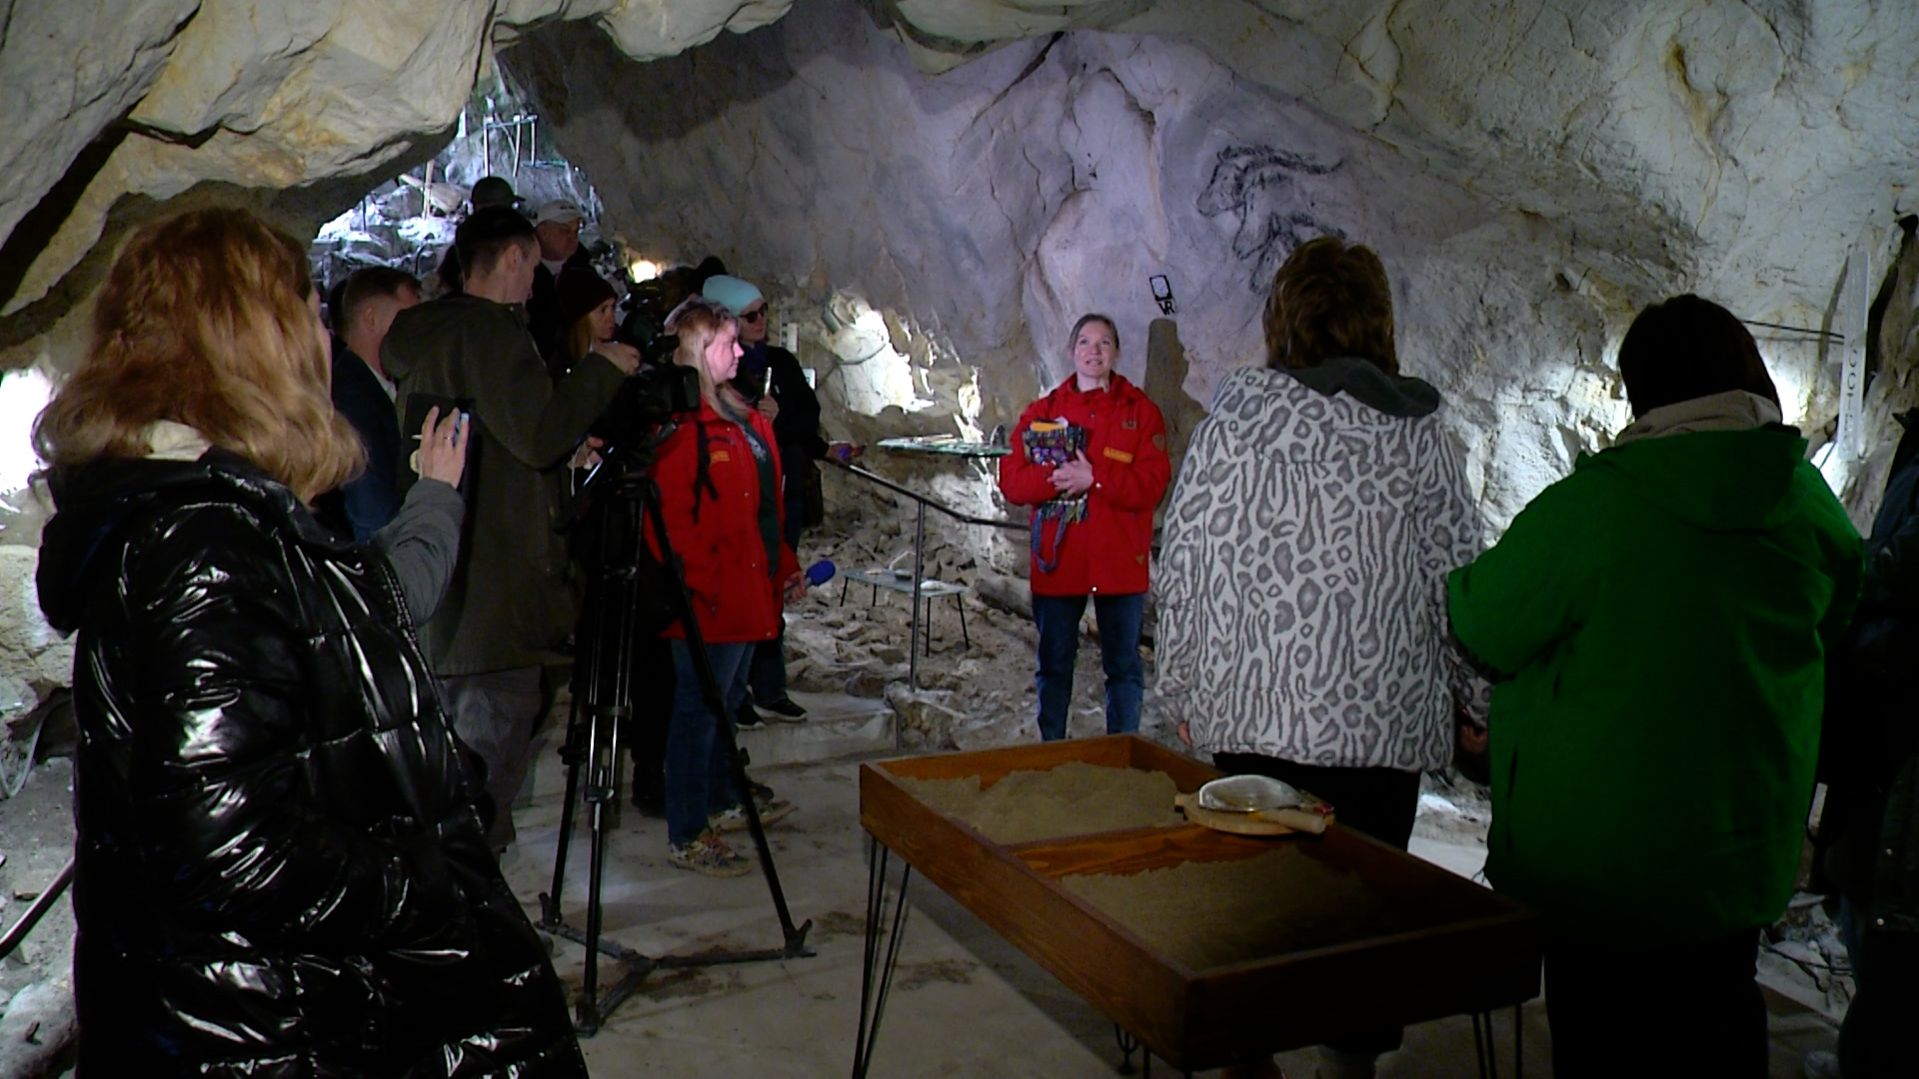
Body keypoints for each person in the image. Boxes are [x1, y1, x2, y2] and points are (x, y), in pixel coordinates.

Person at [31, 206, 584, 1074]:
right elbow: (233, 844)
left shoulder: (208, 515)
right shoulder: (199, 543)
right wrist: (421, 881)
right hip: (265, 1027)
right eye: (308, 314)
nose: (322, 336)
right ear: (252, 342)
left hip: (256, 1009)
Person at [1446, 295, 1862, 1078]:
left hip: (1604, 872)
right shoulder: (1807, 504)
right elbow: (1840, 611)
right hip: (1737, 857)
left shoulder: (1602, 502)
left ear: (1644, 392)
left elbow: (1481, 618)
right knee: (1718, 1028)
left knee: (1604, 1043)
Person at [1156, 236, 1482, 1079]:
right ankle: (1349, 1068)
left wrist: (1183, 689)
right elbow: (1459, 581)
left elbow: (1186, 560)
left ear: (1281, 324)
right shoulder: (1418, 438)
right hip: (1376, 729)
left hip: (1252, 723)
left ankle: (1248, 1053)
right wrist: (1475, 703)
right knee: (1359, 924)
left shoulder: (1233, 428)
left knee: (1257, 910)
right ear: (1378, 323)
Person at [383, 206, 641, 851]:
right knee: (480, 794)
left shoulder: (429, 334)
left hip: (446, 587)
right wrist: (603, 369)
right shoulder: (491, 333)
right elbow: (538, 434)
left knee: (446, 781)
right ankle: (466, 930)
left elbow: (487, 445)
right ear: (510, 259)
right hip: (497, 602)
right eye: (530, 265)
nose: (535, 283)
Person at [651, 295, 801, 876]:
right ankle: (688, 829)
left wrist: (780, 565)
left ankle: (718, 799)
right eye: (727, 344)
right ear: (697, 351)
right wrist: (705, 586)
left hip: (745, 592)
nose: (740, 352)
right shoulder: (685, 427)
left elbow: (762, 506)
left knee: (723, 704)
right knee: (699, 711)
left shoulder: (737, 416)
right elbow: (671, 522)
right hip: (712, 601)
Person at [1807, 408, 1919, 1079]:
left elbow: (1905, 565)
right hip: (1884, 696)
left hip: (1899, 707)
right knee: (1870, 897)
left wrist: (1846, 568)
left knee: (1887, 909)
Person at [997, 313, 1170, 741]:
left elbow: (1151, 485)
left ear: (1116, 352)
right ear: (1072, 351)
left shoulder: (1140, 413)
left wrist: (1097, 477)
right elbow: (1013, 481)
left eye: (1104, 343)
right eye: (1086, 342)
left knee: (1124, 667)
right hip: (1062, 563)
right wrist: (1056, 479)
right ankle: (1051, 748)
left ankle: (1121, 751)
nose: (1095, 351)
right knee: (1054, 664)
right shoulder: (1044, 412)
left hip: (1117, 565)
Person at [703, 273, 823, 724]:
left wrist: (780, 416)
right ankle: (736, 693)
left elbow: (807, 418)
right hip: (738, 501)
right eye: (751, 316)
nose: (761, 323)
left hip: (777, 492)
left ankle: (769, 685)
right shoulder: (719, 376)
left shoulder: (781, 363)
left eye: (763, 312)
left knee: (774, 588)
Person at [318, 266, 420, 541]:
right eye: (409, 318)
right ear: (371, 318)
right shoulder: (350, 397)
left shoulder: (388, 384)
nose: (419, 331)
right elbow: (372, 513)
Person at [526, 198, 592, 378]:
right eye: (564, 231)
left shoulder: (583, 267)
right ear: (543, 231)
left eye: (576, 231)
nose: (573, 238)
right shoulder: (523, 271)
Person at [555, 263, 620, 377]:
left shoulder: (616, 346)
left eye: (613, 307)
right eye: (603, 310)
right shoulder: (563, 364)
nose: (611, 318)